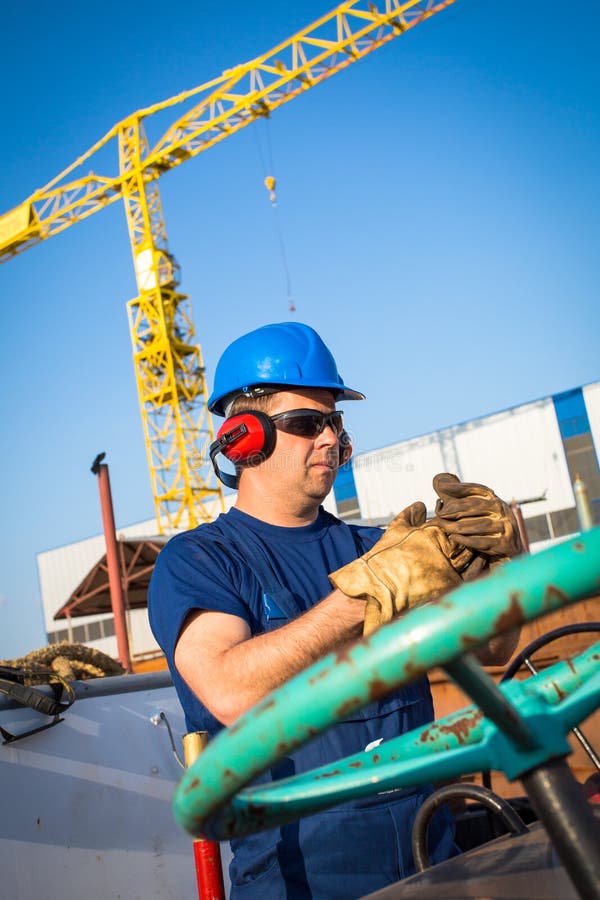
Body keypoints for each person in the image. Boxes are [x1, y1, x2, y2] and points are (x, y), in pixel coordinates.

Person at [148, 321, 522, 899]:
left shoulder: (383, 549)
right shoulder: (202, 560)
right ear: (244, 438)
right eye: (306, 423)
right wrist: (362, 597)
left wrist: (499, 572)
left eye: (335, 422)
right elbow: (227, 688)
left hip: (432, 863)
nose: (330, 438)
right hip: (298, 881)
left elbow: (494, 649)